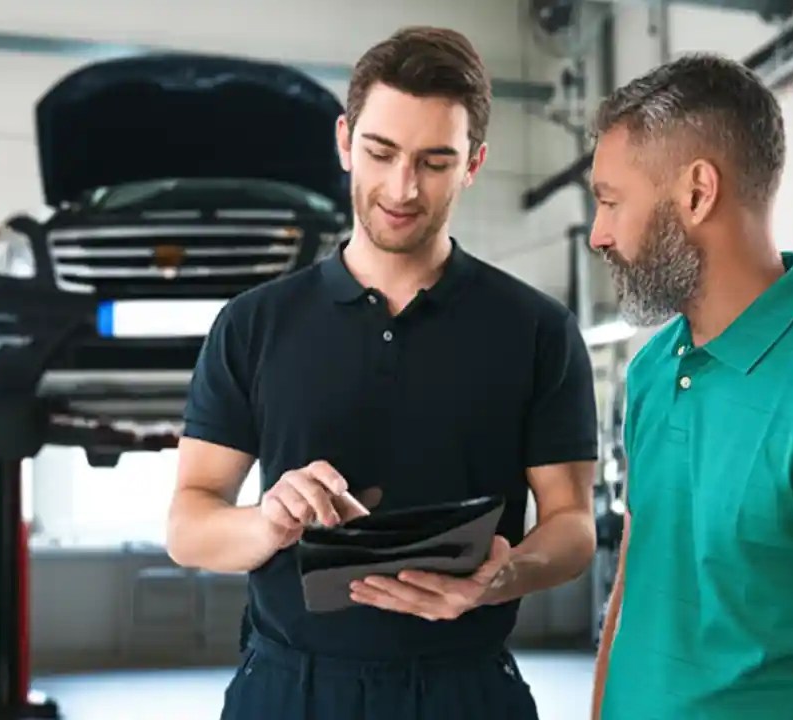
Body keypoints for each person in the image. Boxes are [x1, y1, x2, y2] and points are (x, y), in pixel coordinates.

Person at [166, 26, 600, 720]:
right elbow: (190, 521)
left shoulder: (537, 330)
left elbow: (573, 523)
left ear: (474, 164)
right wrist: (268, 523)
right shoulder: (254, 324)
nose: (403, 187)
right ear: (344, 141)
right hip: (290, 690)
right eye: (381, 152)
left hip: (466, 687)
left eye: (435, 161)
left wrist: (501, 577)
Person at [588, 54, 793, 720]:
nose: (599, 234)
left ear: (697, 193)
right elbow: (635, 587)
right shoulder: (650, 369)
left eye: (611, 202)